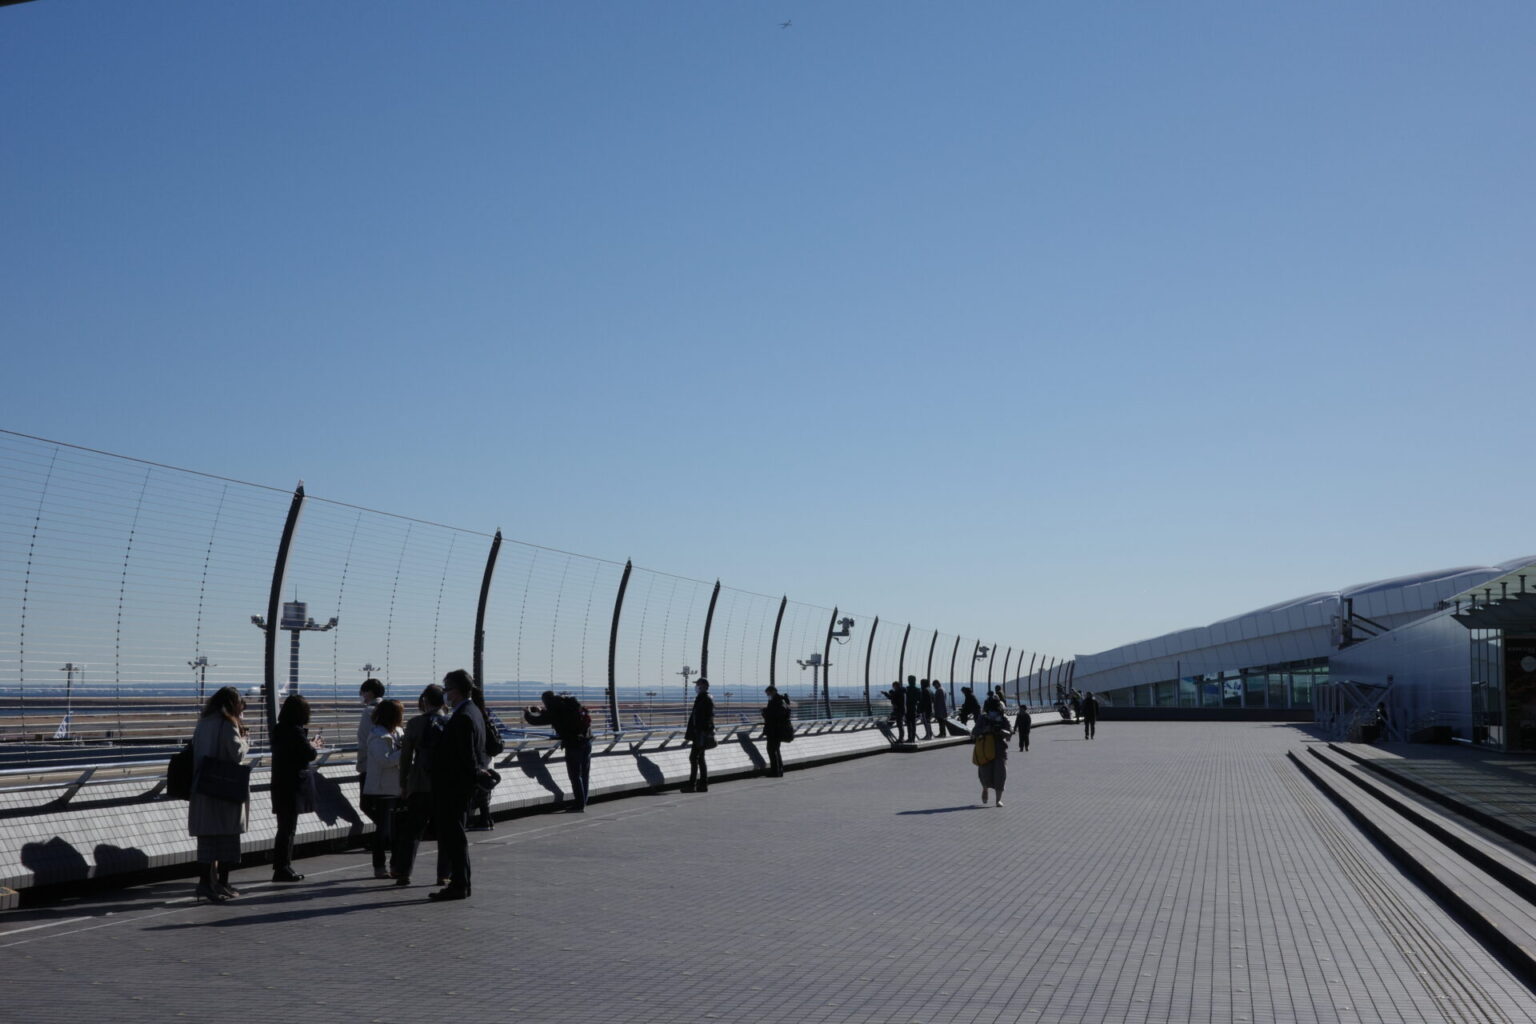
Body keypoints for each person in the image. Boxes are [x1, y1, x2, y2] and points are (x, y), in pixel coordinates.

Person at [430, 669, 488, 901]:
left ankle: (459, 884)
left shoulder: (463, 715)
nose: (445, 694)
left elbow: (466, 755)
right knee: (456, 835)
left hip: (454, 786)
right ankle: (459, 882)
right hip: (462, 785)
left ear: (455, 690)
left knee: (454, 836)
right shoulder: (474, 712)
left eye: (446, 689)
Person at [188, 686, 250, 902]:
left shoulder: (203, 723)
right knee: (227, 838)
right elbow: (236, 754)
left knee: (207, 841)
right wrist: (245, 740)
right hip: (225, 789)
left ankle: (206, 884)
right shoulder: (227, 724)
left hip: (203, 786)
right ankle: (222, 883)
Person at [393, 684, 448, 888]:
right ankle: (443, 874)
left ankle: (404, 872)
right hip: (444, 785)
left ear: (425, 701)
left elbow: (406, 756)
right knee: (445, 831)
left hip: (419, 784)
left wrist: (403, 784)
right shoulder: (450, 722)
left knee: (413, 831)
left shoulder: (415, 723)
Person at [271, 693, 322, 882]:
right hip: (293, 785)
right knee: (288, 828)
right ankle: (283, 867)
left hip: (280, 783)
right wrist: (313, 745)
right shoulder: (295, 731)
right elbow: (308, 754)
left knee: (284, 826)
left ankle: (282, 865)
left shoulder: (279, 729)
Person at [524, 690, 593, 811]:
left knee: (575, 776)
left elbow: (536, 721)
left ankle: (579, 805)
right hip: (587, 741)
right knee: (584, 774)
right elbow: (556, 717)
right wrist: (542, 711)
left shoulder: (555, 711)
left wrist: (527, 713)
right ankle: (583, 802)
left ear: (546, 701)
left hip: (573, 745)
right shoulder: (569, 705)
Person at [363, 698, 405, 878]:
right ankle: (379, 866)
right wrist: (405, 751)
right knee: (384, 831)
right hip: (381, 789)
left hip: (397, 787)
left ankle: (396, 865)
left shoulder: (399, 733)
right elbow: (384, 760)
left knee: (398, 831)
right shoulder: (377, 736)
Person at [973, 696, 1013, 807]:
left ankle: (998, 800)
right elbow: (974, 732)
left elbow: (1010, 731)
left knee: (1000, 774)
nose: (993, 712)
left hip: (1000, 750)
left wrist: (1001, 731)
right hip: (985, 750)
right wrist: (986, 730)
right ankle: (985, 788)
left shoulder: (1003, 718)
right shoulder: (983, 718)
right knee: (985, 774)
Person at [684, 677, 715, 792]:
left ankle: (692, 785)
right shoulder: (703, 698)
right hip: (700, 733)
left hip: (700, 734)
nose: (697, 687)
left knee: (694, 758)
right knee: (700, 758)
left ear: (705, 686)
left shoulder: (704, 699)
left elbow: (705, 717)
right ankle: (703, 784)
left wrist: (699, 731)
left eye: (699, 684)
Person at [356, 677, 385, 794]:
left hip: (370, 764)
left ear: (370, 693)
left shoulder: (368, 712)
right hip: (387, 764)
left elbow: (364, 739)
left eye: (363, 692)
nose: (361, 695)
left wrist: (361, 764)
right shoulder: (390, 709)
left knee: (367, 803)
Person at [761, 685, 793, 777]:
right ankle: (779, 770)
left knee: (771, 749)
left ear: (773, 692)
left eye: (768, 693)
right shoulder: (781, 701)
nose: (768, 695)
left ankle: (775, 771)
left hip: (774, 730)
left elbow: (775, 715)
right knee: (776, 749)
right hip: (777, 729)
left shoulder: (777, 701)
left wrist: (765, 712)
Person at [903, 676, 920, 743]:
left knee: (908, 724)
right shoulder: (918, 689)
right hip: (914, 708)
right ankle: (913, 738)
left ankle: (909, 738)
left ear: (909, 681)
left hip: (908, 708)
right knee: (913, 724)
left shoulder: (906, 689)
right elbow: (919, 699)